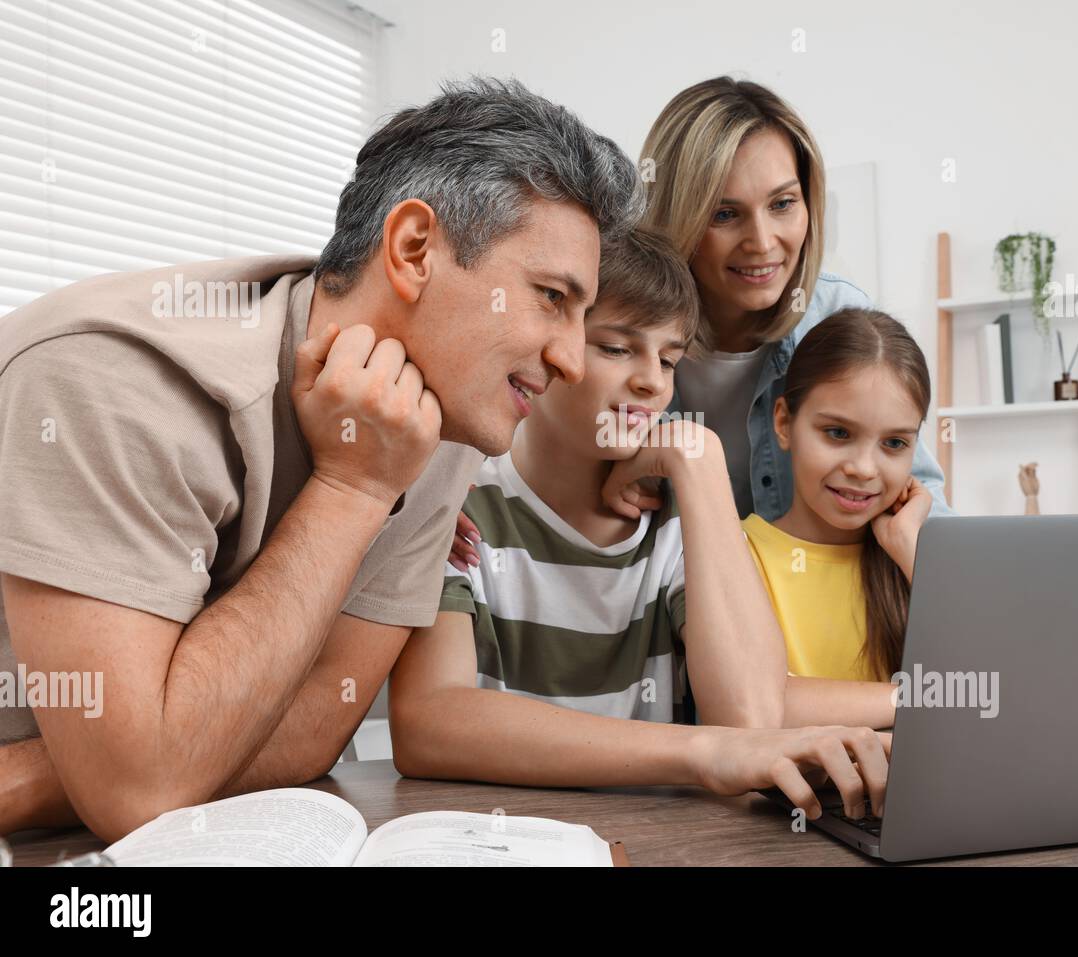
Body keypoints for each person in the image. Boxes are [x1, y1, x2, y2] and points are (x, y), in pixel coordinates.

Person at [0, 76, 643, 841]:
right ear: (413, 250)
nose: (572, 358)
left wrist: (75, 769)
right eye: (550, 297)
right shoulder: (106, 380)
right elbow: (140, 790)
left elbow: (316, 723)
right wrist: (354, 486)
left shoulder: (440, 417)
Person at [389, 229, 891, 822]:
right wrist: (703, 753)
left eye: (669, 358)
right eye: (617, 348)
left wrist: (699, 461)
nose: (653, 381)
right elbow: (429, 724)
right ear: (552, 349)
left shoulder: (679, 524)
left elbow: (752, 716)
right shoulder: (464, 502)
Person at [449, 75, 951, 575]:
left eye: (782, 204)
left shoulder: (836, 320)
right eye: (726, 214)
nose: (762, 241)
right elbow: (511, 400)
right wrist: (436, 495)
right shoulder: (606, 307)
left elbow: (917, 504)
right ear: (680, 214)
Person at [748, 308, 934, 731]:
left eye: (894, 443)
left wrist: (910, 552)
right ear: (783, 422)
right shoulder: (740, 553)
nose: (864, 469)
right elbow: (760, 701)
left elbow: (989, 689)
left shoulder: (916, 561)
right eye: (837, 433)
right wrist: (927, 699)